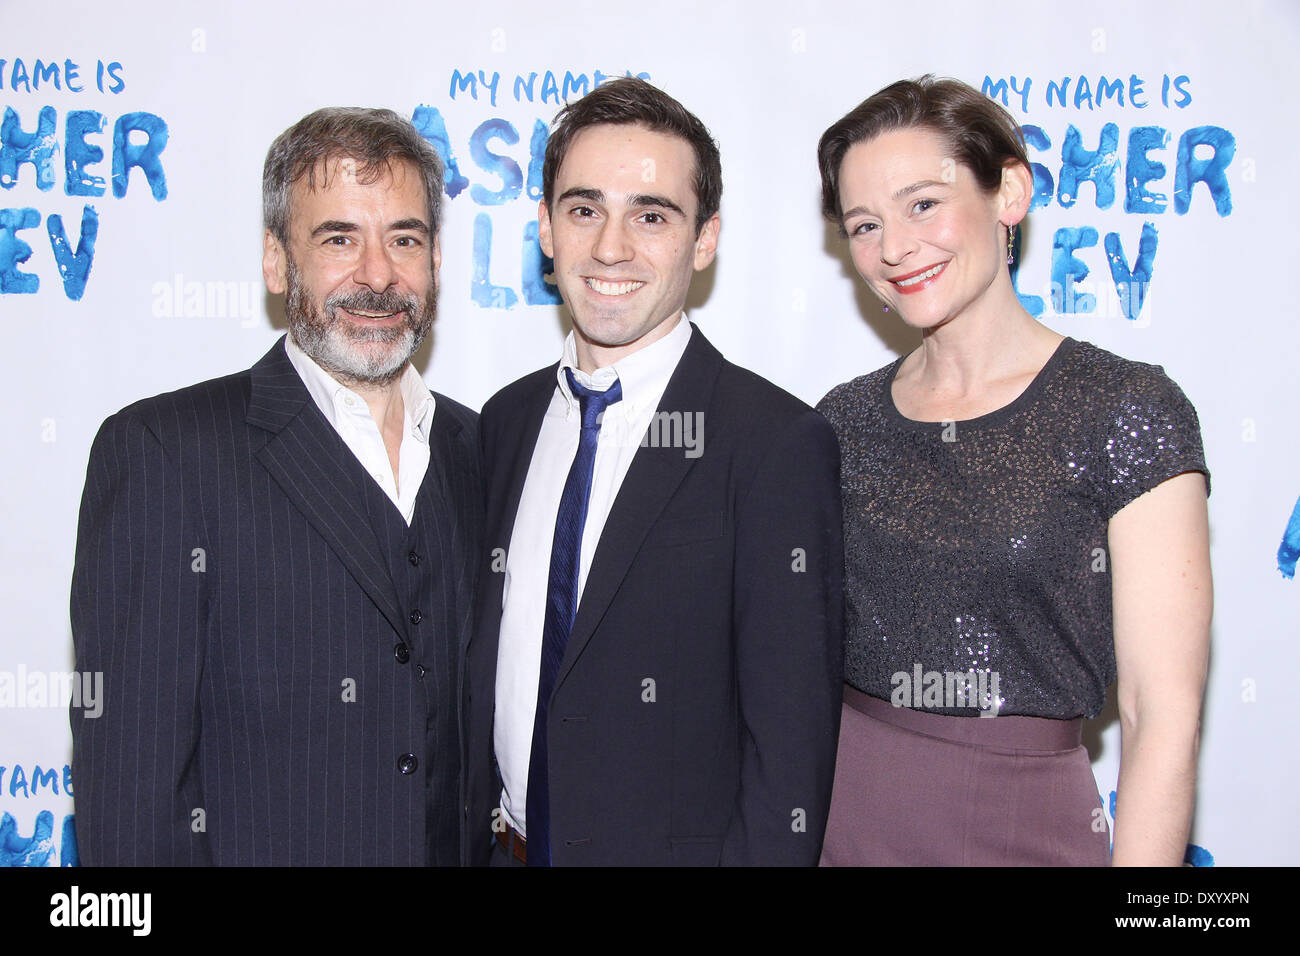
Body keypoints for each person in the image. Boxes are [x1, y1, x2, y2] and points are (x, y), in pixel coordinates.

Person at [815, 75, 1211, 866]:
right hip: (838, 814)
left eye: (923, 203)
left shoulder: (1125, 407)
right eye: (864, 224)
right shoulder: (839, 420)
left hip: (1023, 822)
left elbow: (1158, 713)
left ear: (1010, 194)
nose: (893, 247)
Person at [69, 107, 482, 866]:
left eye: (405, 239)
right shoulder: (166, 452)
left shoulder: (476, 448)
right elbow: (131, 802)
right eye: (338, 239)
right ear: (275, 260)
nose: (378, 275)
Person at [465, 78, 844, 866]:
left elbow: (791, 753)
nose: (611, 247)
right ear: (545, 228)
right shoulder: (503, 423)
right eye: (583, 209)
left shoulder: (773, 442)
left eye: (651, 215)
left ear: (704, 241)